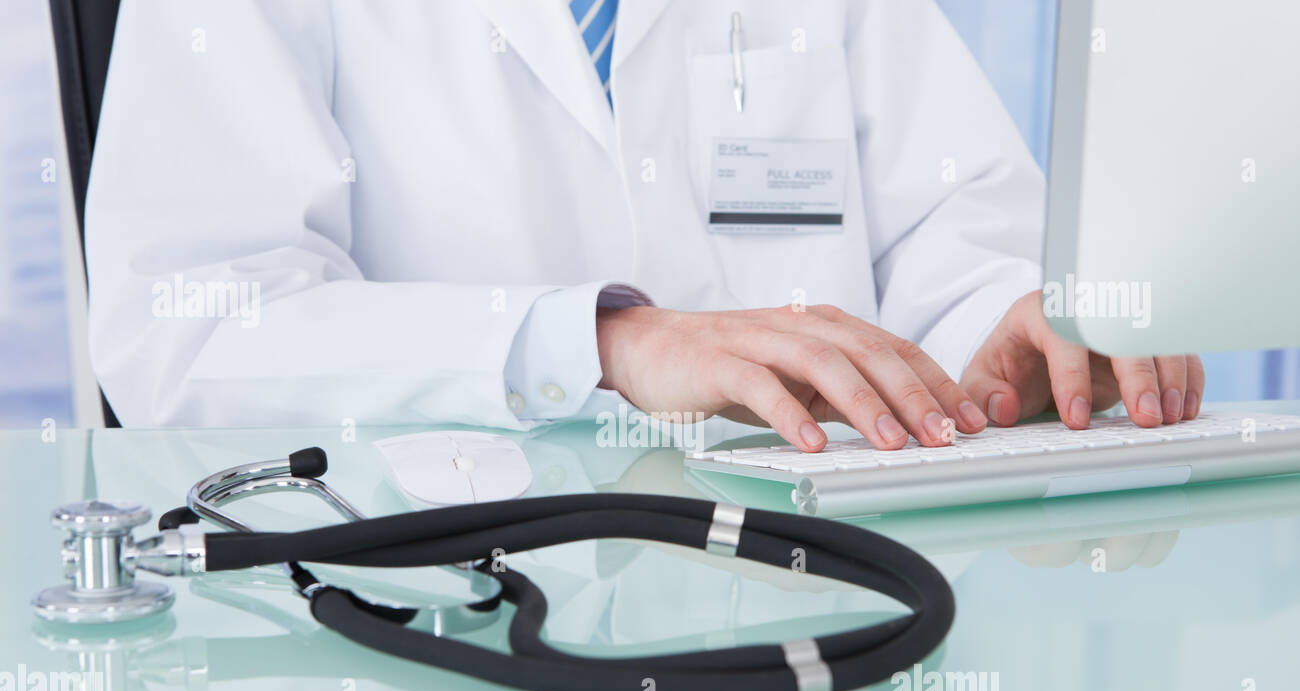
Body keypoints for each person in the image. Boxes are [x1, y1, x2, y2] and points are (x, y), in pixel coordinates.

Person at [86, 0, 1203, 451]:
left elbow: (947, 229)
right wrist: (598, 345)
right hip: (413, 638)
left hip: (805, 614)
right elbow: (186, 325)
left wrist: (1012, 324)